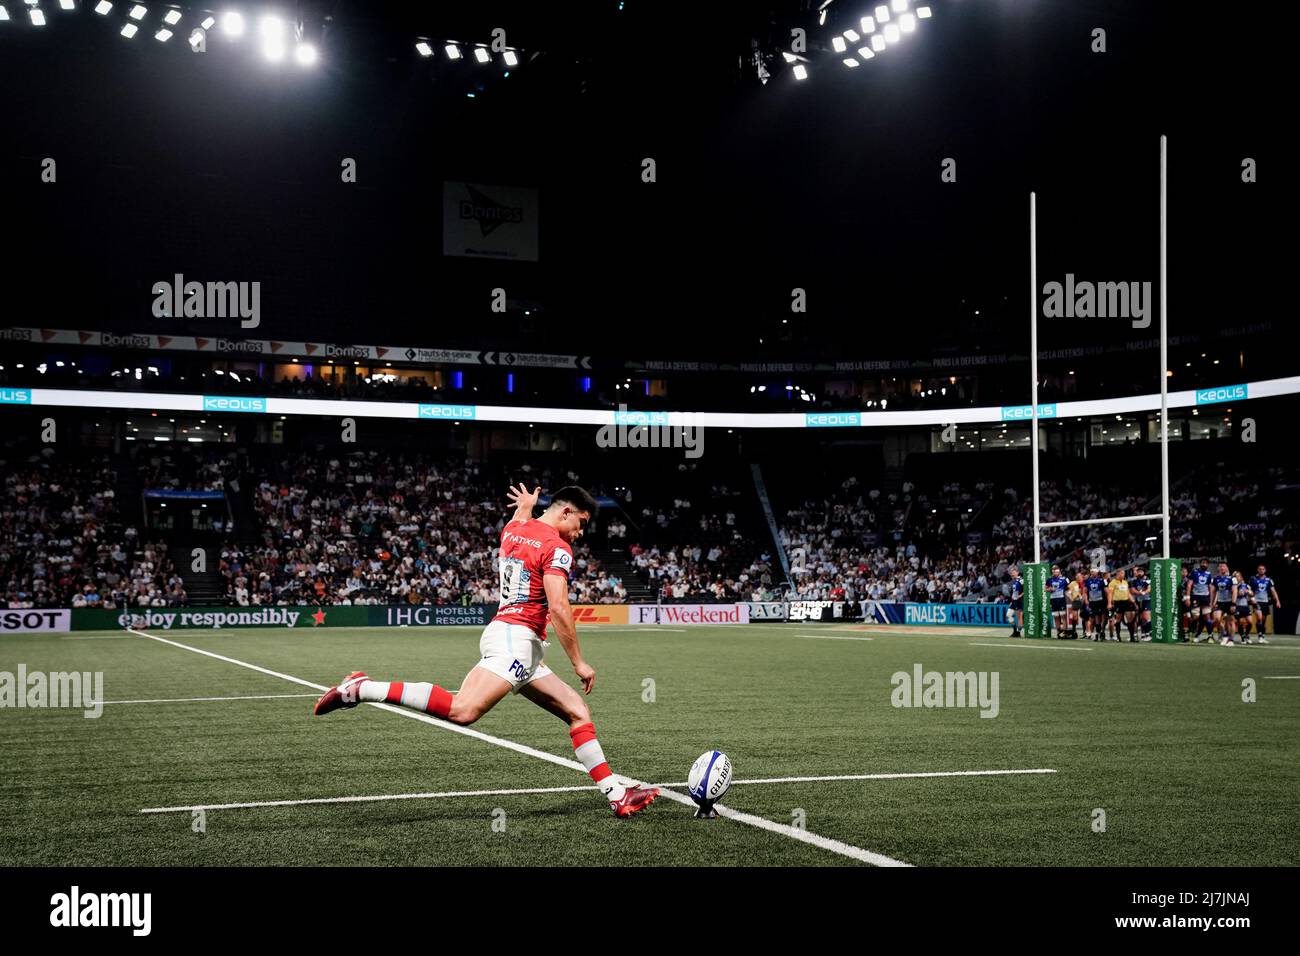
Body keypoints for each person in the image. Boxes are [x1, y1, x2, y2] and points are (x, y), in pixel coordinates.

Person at [312, 484, 659, 818]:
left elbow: (521, 519)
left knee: (577, 711)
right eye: (580, 523)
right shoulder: (557, 548)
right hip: (516, 640)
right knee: (463, 709)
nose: (580, 532)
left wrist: (525, 505)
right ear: (566, 512)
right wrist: (578, 662)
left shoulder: (514, 529)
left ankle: (617, 794)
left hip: (517, 641)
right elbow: (559, 607)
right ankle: (361, 688)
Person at [1249, 564, 1279, 644]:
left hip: (1265, 602)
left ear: (1265, 570)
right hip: (1256, 601)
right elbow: (1249, 589)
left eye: (1263, 569)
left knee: (1263, 620)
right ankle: (1260, 636)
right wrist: (1251, 598)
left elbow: (1273, 591)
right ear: (1257, 570)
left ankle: (1262, 635)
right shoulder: (1253, 579)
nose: (1261, 570)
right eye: (1260, 569)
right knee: (1259, 618)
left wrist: (1277, 601)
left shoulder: (1269, 580)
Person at [1007, 566, 1024, 637]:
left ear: (1017, 572)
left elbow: (1026, 589)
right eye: (1011, 573)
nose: (1012, 574)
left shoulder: (1021, 580)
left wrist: (1020, 595)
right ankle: (1015, 631)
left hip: (1019, 601)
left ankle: (1018, 632)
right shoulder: (1014, 581)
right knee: (1008, 615)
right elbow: (1014, 592)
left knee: (1019, 617)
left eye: (1013, 572)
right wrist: (1012, 600)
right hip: (1014, 601)